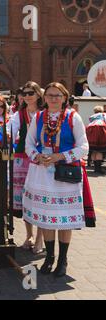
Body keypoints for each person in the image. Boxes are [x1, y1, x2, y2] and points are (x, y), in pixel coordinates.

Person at [23, 82, 89, 277]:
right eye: (50, 95)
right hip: (43, 173)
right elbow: (28, 143)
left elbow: (83, 147)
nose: (53, 99)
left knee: (65, 220)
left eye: (57, 96)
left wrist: (61, 156)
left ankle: (63, 259)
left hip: (65, 174)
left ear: (64, 98)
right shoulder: (39, 117)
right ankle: (49, 257)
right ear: (45, 98)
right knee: (46, 218)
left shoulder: (72, 117)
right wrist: (37, 156)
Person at [10, 81, 45, 254]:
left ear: (38, 94)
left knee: (39, 197)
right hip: (22, 158)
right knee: (25, 198)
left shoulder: (46, 113)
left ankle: (40, 238)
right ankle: (29, 235)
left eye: (30, 93)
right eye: (24, 93)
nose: (26, 96)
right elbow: (11, 133)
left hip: (41, 159)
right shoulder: (19, 114)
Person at [86, 106, 106, 174]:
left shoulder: (92, 116)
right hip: (100, 129)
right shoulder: (104, 115)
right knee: (100, 150)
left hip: (90, 129)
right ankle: (98, 169)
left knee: (93, 150)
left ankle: (95, 168)